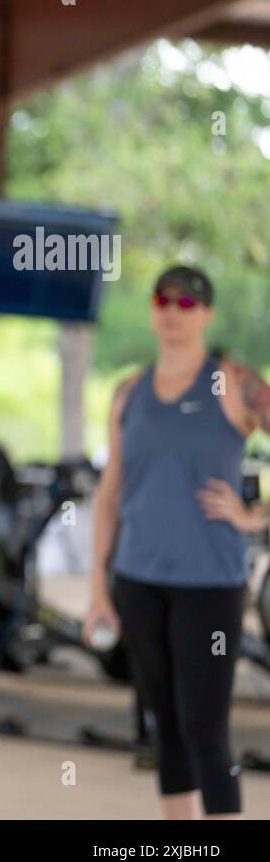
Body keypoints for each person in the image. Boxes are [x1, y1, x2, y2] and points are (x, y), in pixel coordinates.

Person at [87, 265, 270, 820]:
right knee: (163, 724)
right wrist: (98, 586)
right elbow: (109, 492)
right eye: (163, 300)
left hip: (209, 584)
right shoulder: (128, 392)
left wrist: (253, 516)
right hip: (139, 580)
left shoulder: (236, 385)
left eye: (187, 303)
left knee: (204, 728)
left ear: (207, 314)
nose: (172, 311)